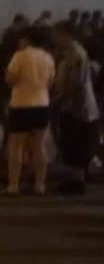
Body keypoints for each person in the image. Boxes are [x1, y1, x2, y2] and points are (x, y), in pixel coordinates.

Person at [5, 25, 54, 195]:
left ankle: (13, 185)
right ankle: (40, 184)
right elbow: (50, 82)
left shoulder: (19, 56)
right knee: (39, 146)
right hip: (42, 104)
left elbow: (10, 79)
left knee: (16, 147)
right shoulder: (48, 58)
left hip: (20, 104)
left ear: (27, 39)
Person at [52, 21, 98, 194]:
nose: (55, 39)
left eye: (57, 35)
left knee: (76, 144)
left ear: (67, 34)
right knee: (73, 143)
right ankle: (76, 179)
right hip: (74, 106)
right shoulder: (69, 52)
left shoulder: (75, 54)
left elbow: (75, 83)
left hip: (78, 108)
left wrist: (59, 98)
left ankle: (77, 182)